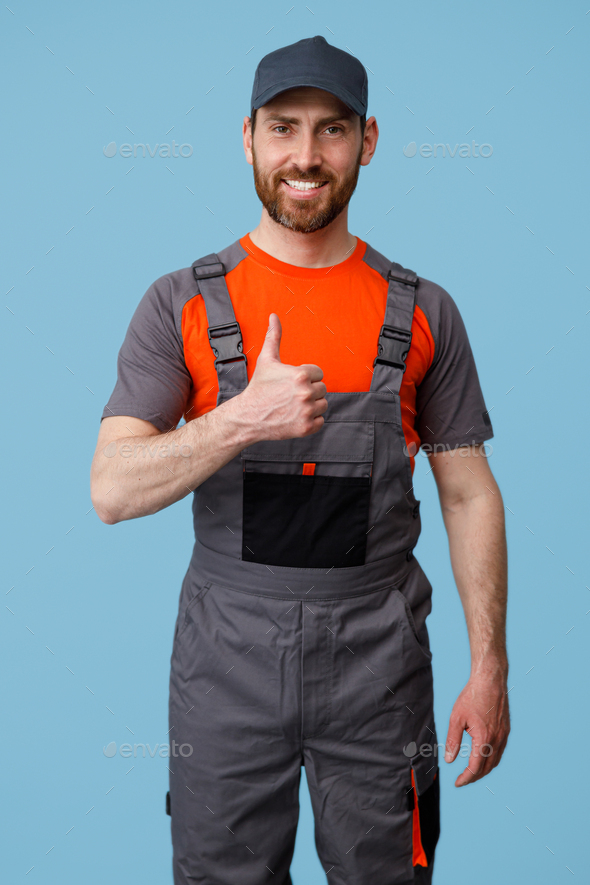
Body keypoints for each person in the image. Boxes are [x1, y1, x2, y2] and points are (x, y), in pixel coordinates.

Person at [90, 35, 510, 885]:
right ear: (248, 137)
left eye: (332, 130)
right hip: (226, 666)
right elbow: (111, 488)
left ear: (369, 140)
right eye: (284, 128)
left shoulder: (425, 311)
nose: (307, 156)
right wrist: (238, 420)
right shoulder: (180, 303)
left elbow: (468, 495)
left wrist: (490, 664)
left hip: (379, 665)